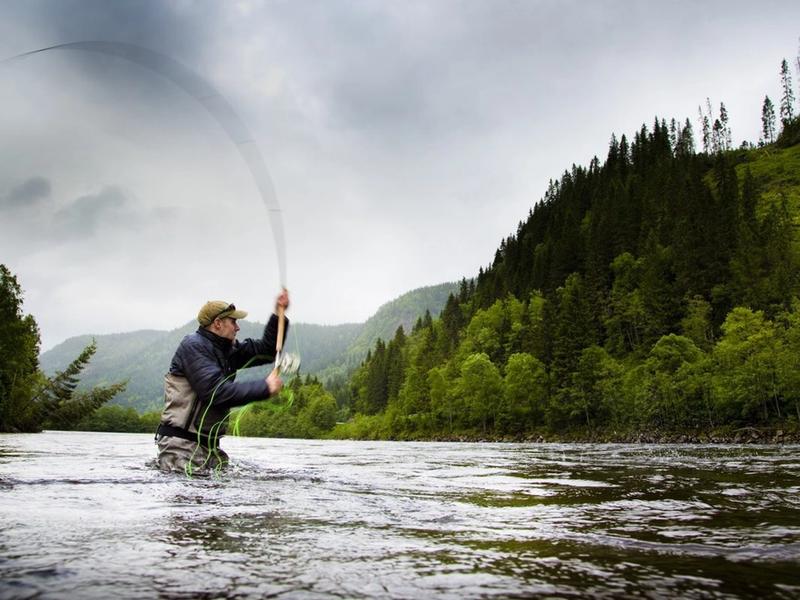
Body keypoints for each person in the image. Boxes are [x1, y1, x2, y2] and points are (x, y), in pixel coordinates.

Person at [155, 290, 290, 473]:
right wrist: (265, 387)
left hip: (208, 447)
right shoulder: (193, 347)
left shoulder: (228, 350)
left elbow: (268, 350)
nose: (237, 327)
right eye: (233, 321)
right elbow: (215, 392)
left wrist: (278, 314)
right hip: (181, 446)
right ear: (217, 323)